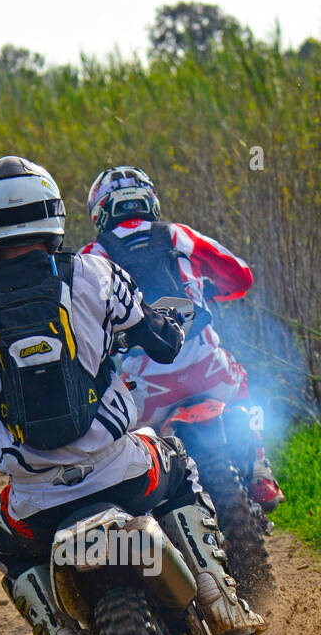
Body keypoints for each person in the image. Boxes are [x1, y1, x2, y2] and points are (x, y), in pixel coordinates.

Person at [0, 155, 265, 635]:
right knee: (182, 466)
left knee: (6, 543)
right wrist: (167, 325)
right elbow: (158, 342)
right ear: (54, 217)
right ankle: (219, 599)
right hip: (124, 472)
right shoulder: (96, 275)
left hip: (37, 503)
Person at [81, 165, 284, 510]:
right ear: (150, 200)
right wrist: (209, 293)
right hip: (207, 367)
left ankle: (151, 513)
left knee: (132, 448)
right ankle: (260, 472)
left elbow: (83, 321)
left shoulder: (93, 257)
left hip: (146, 387)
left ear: (100, 211)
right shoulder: (178, 235)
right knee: (244, 388)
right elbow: (241, 276)